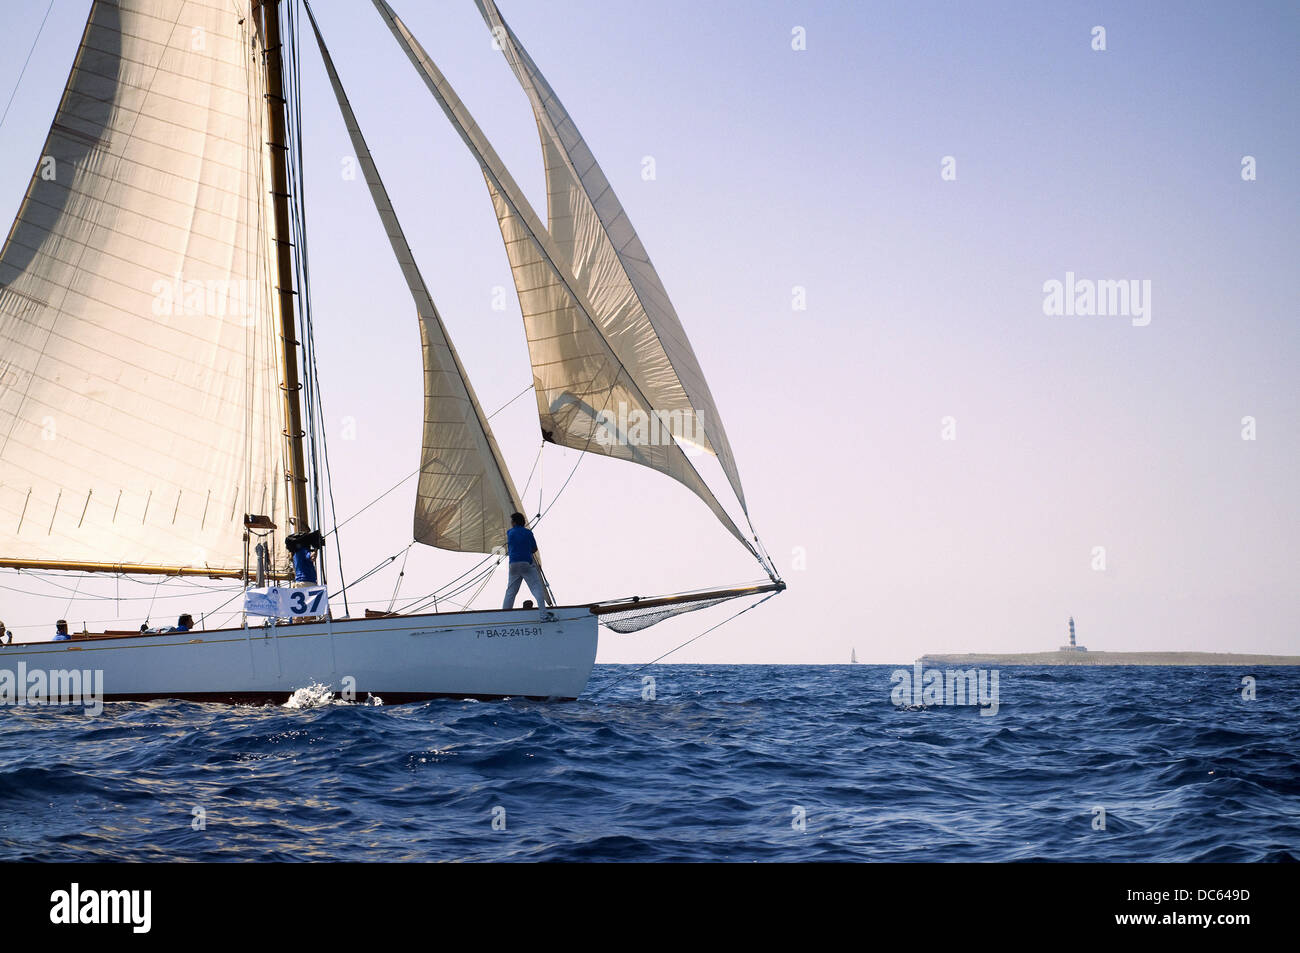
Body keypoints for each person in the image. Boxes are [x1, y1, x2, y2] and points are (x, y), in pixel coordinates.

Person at [502, 513, 548, 612]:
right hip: (526, 564)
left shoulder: (510, 532)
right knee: (536, 588)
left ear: (514, 522)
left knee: (511, 591)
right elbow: (534, 548)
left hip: (513, 565)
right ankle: (543, 614)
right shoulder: (528, 533)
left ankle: (504, 614)